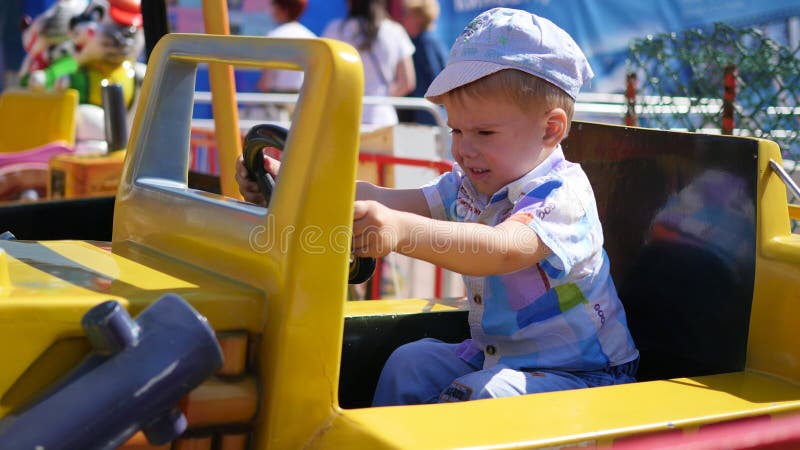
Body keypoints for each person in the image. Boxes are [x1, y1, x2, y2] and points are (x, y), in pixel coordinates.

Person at [235, 7, 639, 405]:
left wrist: (401, 231)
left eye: (483, 132)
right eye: (456, 130)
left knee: (483, 396)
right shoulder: (468, 187)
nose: (463, 148)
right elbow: (382, 198)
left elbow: (500, 249)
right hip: (498, 357)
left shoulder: (561, 195)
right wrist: (293, 182)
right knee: (410, 362)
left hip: (583, 373)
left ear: (550, 129)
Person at [322, 0, 415, 127]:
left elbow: (324, 77)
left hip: (344, 116)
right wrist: (381, 97)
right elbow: (407, 82)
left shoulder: (334, 30)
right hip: (383, 118)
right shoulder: (395, 31)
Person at [398, 0, 447, 125]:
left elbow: (436, 81)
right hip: (424, 116)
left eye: (407, 15)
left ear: (419, 18)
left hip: (431, 118)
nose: (403, 19)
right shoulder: (417, 42)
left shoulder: (426, 43)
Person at [257, 0, 315, 94]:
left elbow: (265, 83)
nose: (272, 9)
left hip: (277, 101)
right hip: (304, 100)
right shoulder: (311, 37)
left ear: (283, 9)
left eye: (274, 5)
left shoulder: (275, 36)